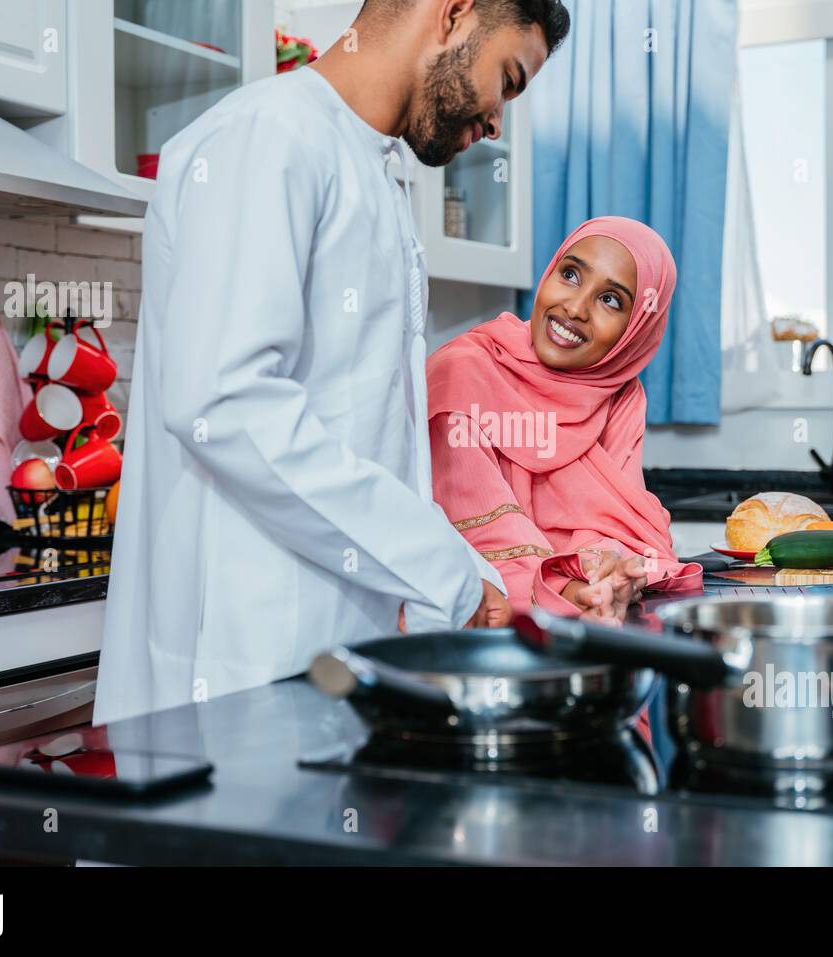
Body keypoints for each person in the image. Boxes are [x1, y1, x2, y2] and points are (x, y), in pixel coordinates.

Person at [94, 0, 571, 726]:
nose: (499, 120)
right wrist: (439, 568)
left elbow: (368, 442)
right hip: (239, 663)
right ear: (454, 13)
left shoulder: (378, 174)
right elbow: (224, 402)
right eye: (508, 78)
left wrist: (464, 572)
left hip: (330, 659)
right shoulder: (268, 135)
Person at [426, 217, 702, 623]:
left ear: (636, 331)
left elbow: (620, 522)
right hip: (476, 624)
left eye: (611, 300)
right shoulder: (461, 373)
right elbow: (474, 528)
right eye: (570, 275)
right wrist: (567, 587)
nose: (575, 308)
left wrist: (609, 572)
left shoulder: (620, 395)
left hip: (582, 622)